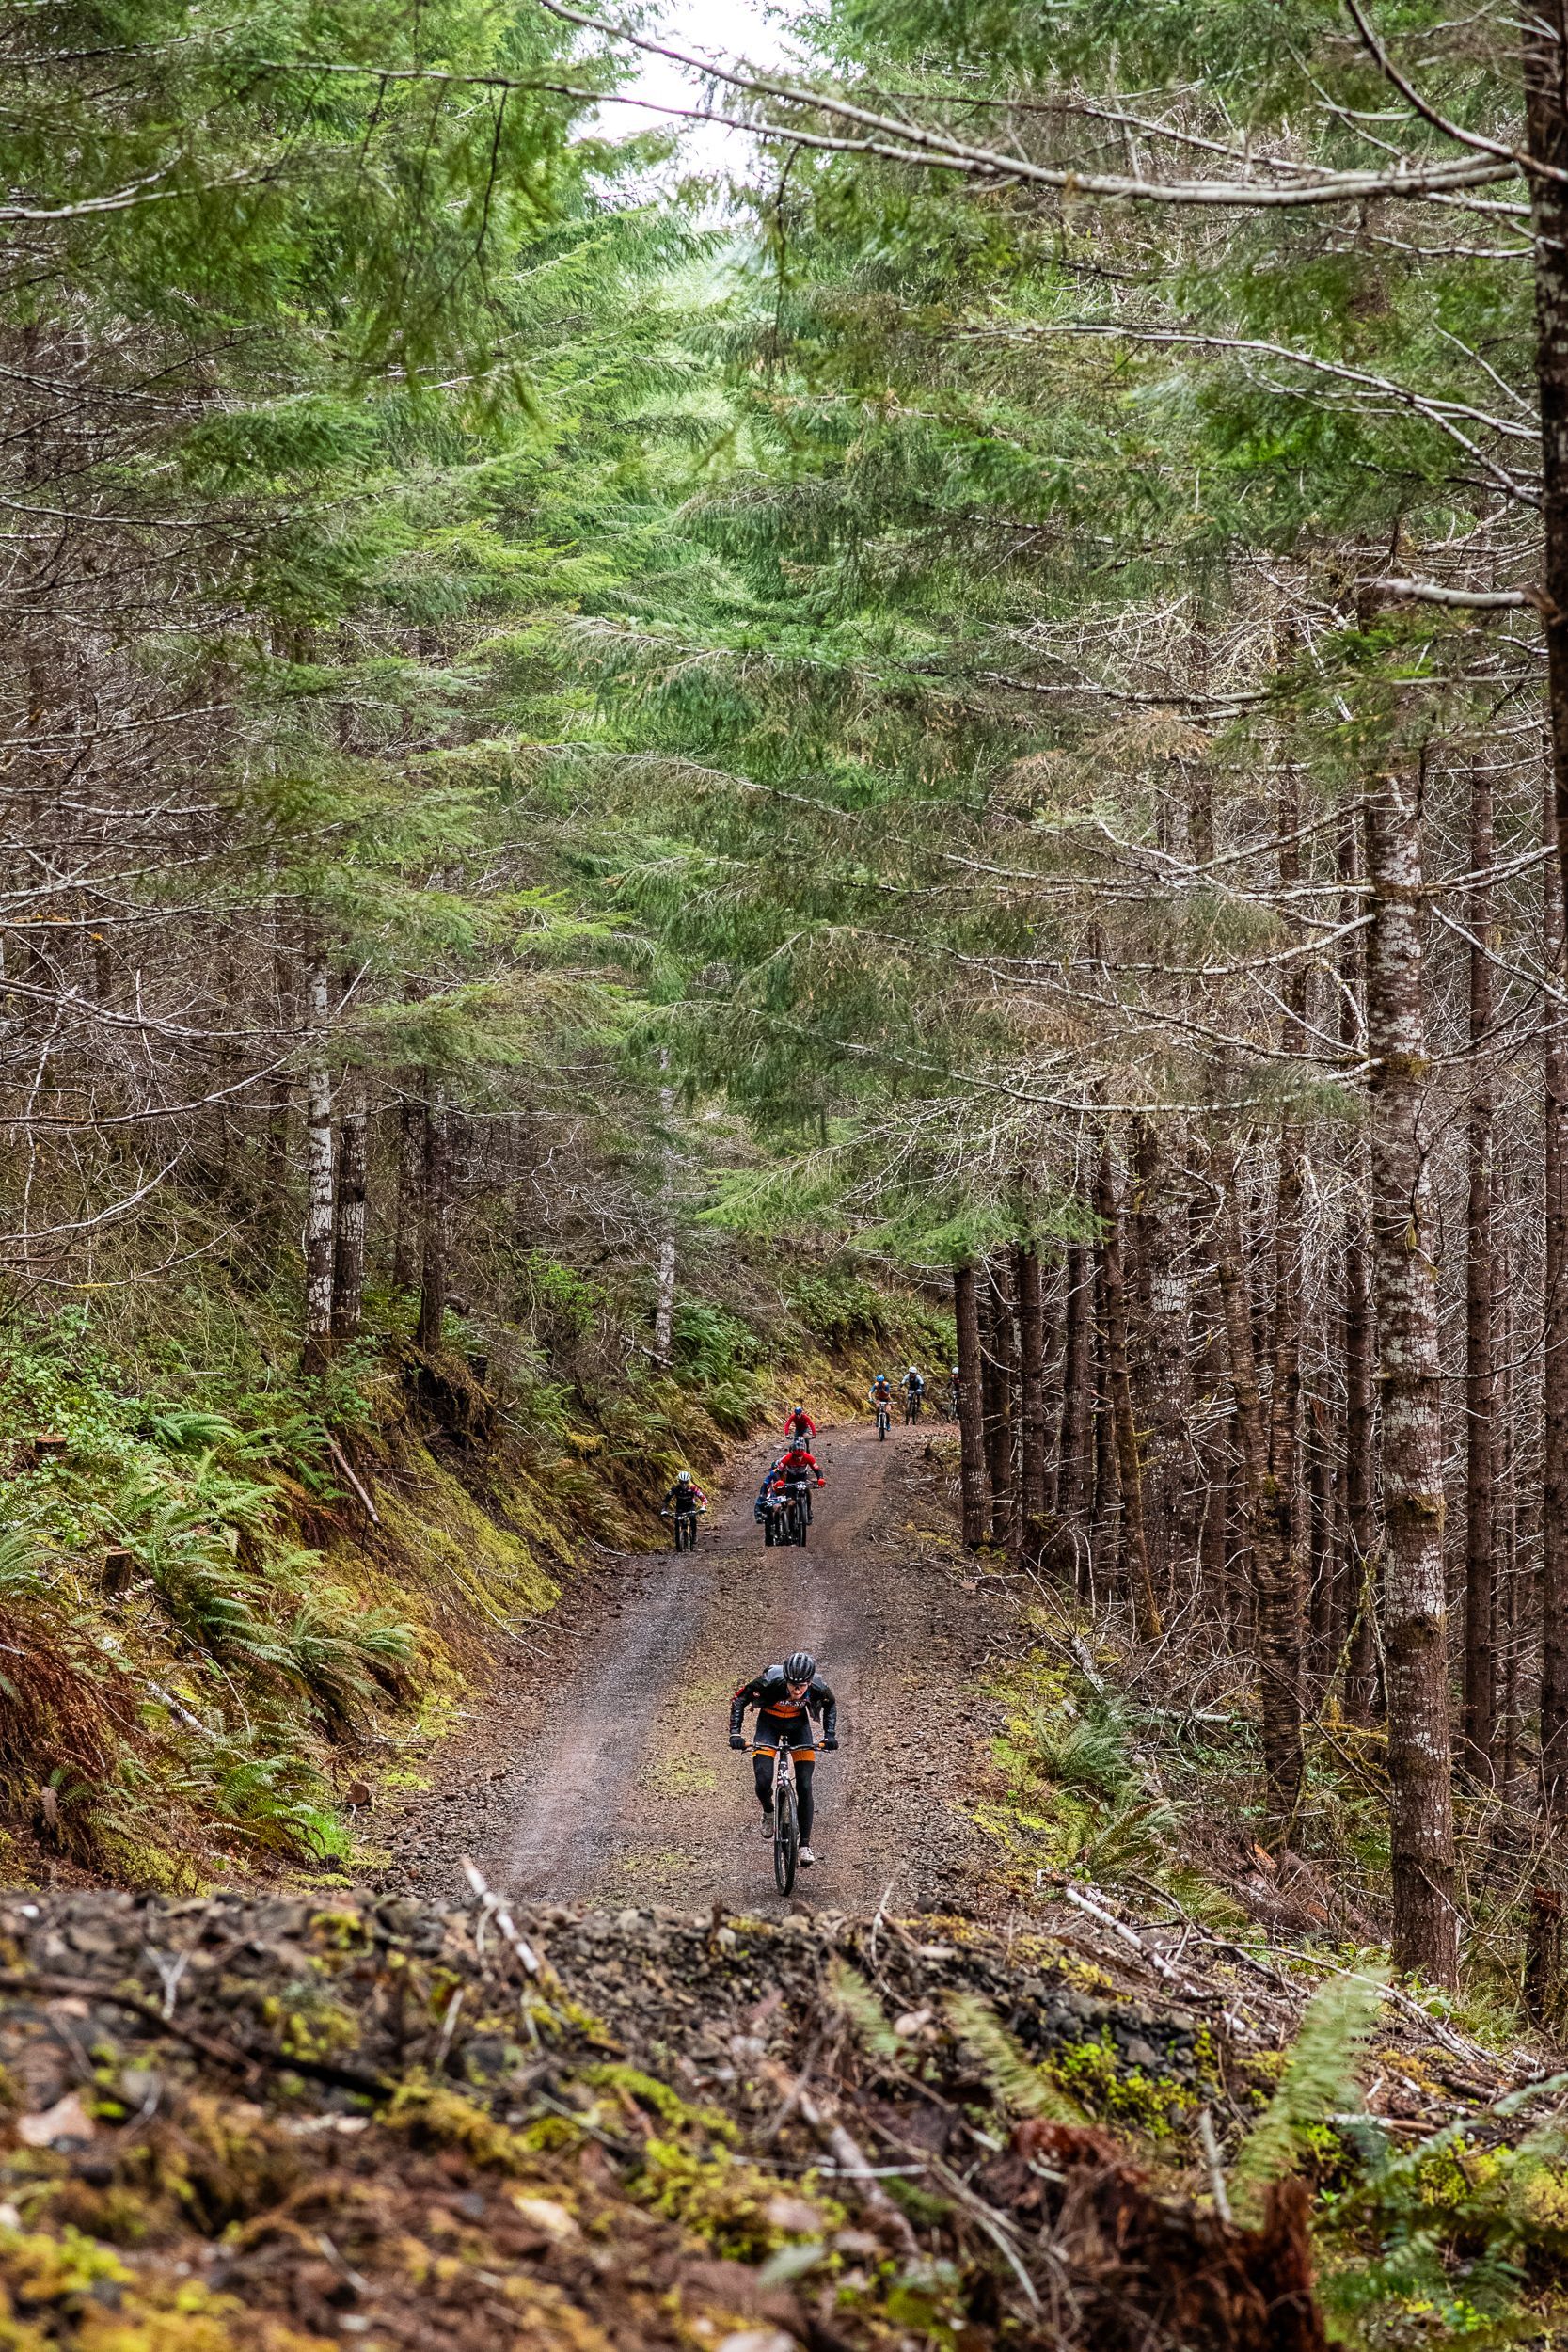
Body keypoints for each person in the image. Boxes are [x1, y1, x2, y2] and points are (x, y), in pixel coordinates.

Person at [730, 1649, 837, 1867]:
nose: (797, 1690)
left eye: (802, 1685)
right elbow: (739, 1699)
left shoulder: (818, 1686)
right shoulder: (768, 1682)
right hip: (768, 1725)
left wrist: (830, 1735)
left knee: (805, 1785)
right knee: (762, 1781)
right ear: (785, 1679)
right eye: (791, 1684)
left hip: (799, 1727)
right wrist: (735, 1733)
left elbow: (830, 1704)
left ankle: (804, 1845)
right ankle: (769, 1812)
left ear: (809, 1682)